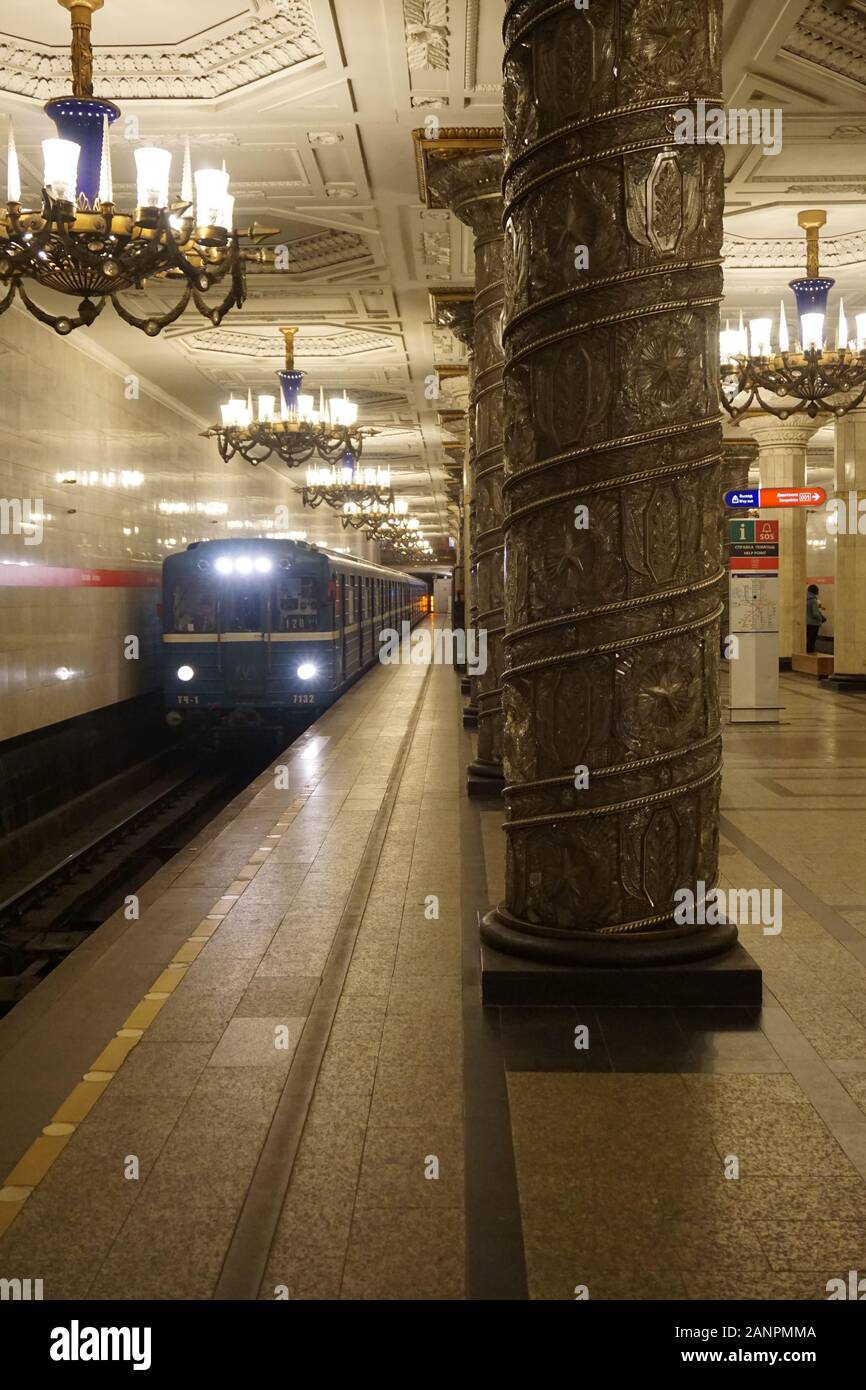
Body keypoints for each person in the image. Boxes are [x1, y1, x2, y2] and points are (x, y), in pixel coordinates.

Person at [806, 584, 825, 654]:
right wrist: (821, 618)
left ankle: (807, 653)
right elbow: (815, 613)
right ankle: (811, 653)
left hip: (807, 623)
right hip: (813, 624)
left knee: (808, 639)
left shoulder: (805, 599)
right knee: (812, 640)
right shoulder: (813, 600)